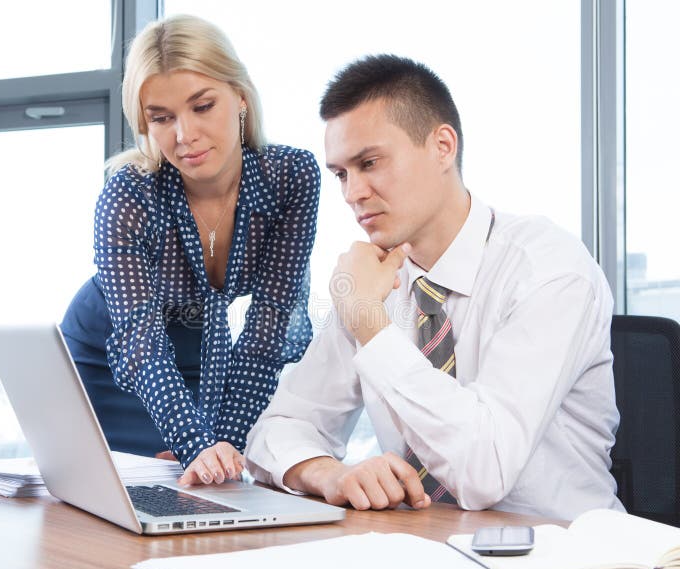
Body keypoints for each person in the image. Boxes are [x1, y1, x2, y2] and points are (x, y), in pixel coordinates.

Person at [244, 54, 623, 521]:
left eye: (370, 163)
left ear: (443, 147)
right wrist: (331, 474)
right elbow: (275, 430)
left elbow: (484, 470)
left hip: (568, 566)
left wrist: (369, 321)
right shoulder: (376, 281)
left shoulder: (549, 269)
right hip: (431, 556)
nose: (352, 192)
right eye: (341, 173)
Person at [61, 15, 320, 486]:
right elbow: (140, 342)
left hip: (203, 358)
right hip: (113, 353)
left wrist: (219, 446)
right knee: (111, 501)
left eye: (202, 106)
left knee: (210, 484)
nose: (184, 135)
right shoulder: (128, 196)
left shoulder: (291, 178)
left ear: (240, 96)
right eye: (162, 117)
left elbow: (269, 326)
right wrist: (194, 442)